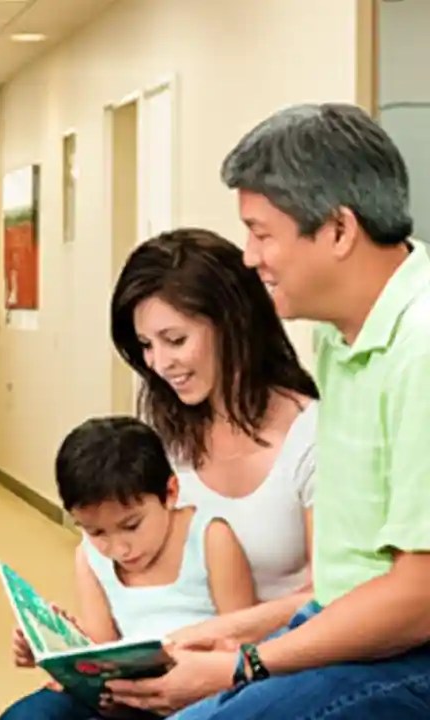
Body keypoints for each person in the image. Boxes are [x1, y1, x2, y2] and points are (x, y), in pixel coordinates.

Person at [107, 103, 430, 718]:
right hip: (345, 620)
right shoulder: (342, 336)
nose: (250, 258)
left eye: (261, 233)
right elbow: (342, 586)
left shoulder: (422, 347)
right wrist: (231, 637)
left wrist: (244, 661)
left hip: (410, 651)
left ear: (337, 231)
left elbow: (419, 599)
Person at [110, 229, 321, 640]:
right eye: (146, 345)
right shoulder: (163, 438)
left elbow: (330, 596)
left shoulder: (311, 437)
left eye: (175, 340)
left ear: (234, 324)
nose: (159, 363)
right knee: (34, 709)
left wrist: (213, 638)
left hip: (273, 662)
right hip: (174, 650)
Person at [0, 416, 256, 719]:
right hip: (124, 695)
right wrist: (60, 649)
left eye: (131, 525)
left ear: (170, 492)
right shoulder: (89, 556)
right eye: (96, 532)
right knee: (28, 715)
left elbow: (244, 638)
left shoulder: (210, 538)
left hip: (200, 688)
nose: (119, 548)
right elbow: (102, 645)